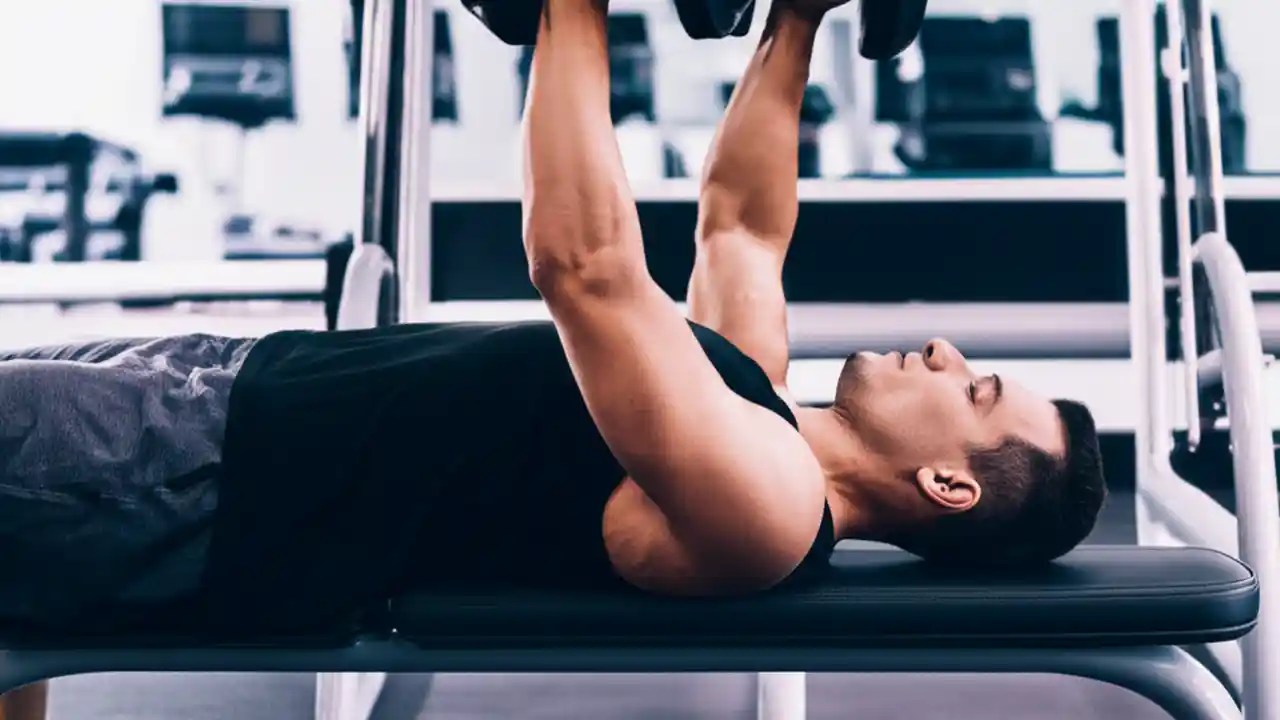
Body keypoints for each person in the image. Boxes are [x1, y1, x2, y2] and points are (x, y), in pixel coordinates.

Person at [1, 0, 1106, 678]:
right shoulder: (753, 406)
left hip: (194, 482)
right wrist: (799, 21)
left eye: (975, 392)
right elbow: (740, 227)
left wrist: (570, 5)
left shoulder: (765, 510)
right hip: (221, 390)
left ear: (948, 487)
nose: (949, 356)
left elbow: (583, 267)